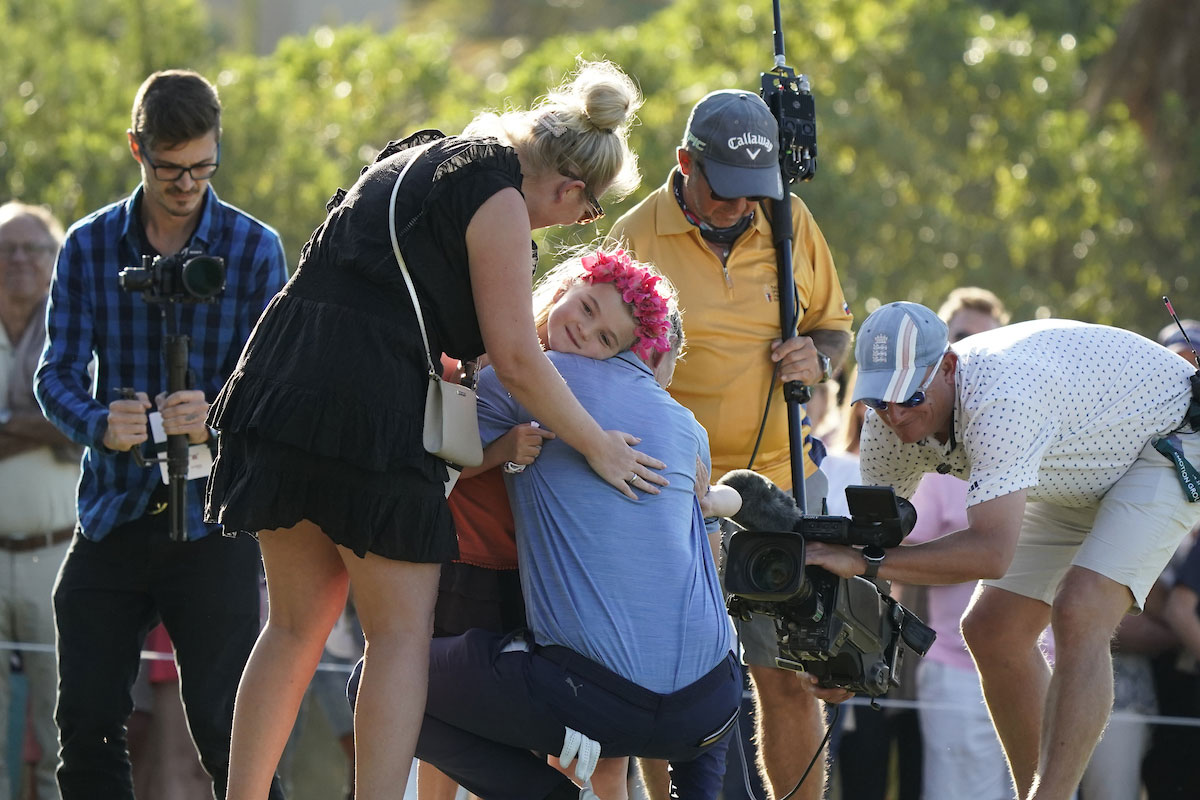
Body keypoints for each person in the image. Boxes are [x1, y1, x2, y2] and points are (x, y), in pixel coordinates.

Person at [205, 61, 660, 800]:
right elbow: (517, 358)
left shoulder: (420, 154)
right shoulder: (501, 197)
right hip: (369, 404)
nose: (580, 226)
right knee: (400, 638)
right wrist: (597, 443)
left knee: (290, 629)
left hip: (284, 381)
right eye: (588, 214)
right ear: (570, 188)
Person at [357, 248, 743, 799]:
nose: (584, 333)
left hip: (588, 687)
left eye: (604, 336)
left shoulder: (525, 376)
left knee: (374, 684)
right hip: (712, 701)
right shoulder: (688, 425)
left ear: (623, 352)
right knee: (696, 700)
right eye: (584, 309)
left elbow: (430, 464)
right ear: (562, 289)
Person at [805, 301, 1200, 800]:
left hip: (1171, 436)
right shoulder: (886, 426)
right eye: (880, 400)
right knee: (991, 630)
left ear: (947, 367)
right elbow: (878, 542)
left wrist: (867, 561)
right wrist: (845, 652)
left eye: (908, 395)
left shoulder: (999, 398)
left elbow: (989, 553)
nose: (896, 414)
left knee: (1080, 609)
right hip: (1082, 459)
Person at [33, 69, 288, 800]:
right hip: (112, 510)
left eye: (203, 168)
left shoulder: (251, 246)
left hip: (215, 520)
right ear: (136, 148)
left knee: (229, 727)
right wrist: (98, 425)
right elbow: (53, 378)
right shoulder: (86, 246)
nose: (187, 185)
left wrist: (216, 410)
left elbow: (271, 382)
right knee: (85, 720)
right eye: (170, 169)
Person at [608, 88, 853, 799]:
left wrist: (820, 356)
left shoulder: (790, 220)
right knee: (665, 676)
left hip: (778, 487)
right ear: (686, 162)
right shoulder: (636, 234)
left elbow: (835, 327)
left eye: (757, 191)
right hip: (670, 489)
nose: (742, 206)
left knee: (787, 678)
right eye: (727, 190)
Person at [898, 288, 1013, 800]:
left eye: (988, 342)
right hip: (958, 671)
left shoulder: (1021, 436)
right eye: (963, 338)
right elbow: (905, 554)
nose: (974, 352)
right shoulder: (930, 450)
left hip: (1039, 662)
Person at [0, 201, 76, 800]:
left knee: (62, 723)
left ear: (54, 260)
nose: (19, 260)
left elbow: (77, 421)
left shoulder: (72, 328)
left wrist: (15, 422)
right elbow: (52, 420)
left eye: (32, 249)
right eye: (7, 249)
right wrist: (36, 418)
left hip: (56, 555)